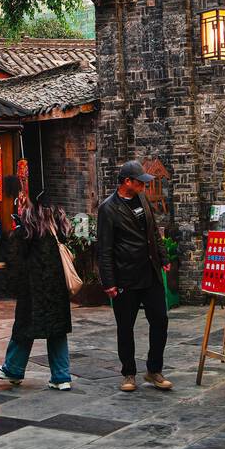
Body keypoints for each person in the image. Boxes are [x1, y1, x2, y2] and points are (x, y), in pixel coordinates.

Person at [96, 160, 172, 393]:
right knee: (125, 326)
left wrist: (163, 257)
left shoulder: (142, 199)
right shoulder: (108, 208)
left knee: (160, 320)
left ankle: (154, 370)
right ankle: (128, 372)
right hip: (125, 276)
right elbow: (104, 249)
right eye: (140, 182)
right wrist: (109, 282)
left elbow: (153, 232)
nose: (145, 186)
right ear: (126, 182)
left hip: (149, 272)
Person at [0, 193, 74, 391]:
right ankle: (61, 376)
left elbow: (15, 260)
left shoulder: (27, 229)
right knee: (57, 331)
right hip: (56, 288)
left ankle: (13, 368)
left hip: (33, 289)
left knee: (23, 329)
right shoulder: (58, 226)